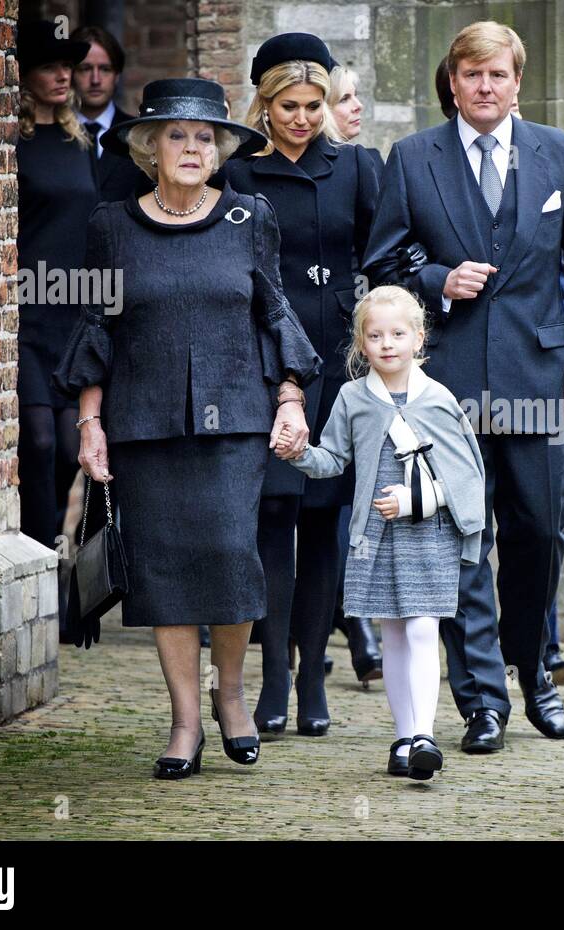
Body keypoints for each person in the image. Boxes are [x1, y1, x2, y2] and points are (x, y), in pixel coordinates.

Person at [52, 78, 321, 779]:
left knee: (232, 557)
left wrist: (290, 399)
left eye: (207, 137)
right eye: (178, 135)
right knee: (166, 571)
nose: (194, 147)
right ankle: (183, 723)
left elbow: (275, 313)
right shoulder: (112, 226)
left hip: (235, 421)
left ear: (223, 148)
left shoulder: (249, 218)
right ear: (149, 148)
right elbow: (94, 328)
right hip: (144, 425)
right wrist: (90, 423)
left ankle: (231, 695)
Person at [363, 21, 564, 754]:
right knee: (461, 539)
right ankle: (482, 701)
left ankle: (535, 668)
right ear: (452, 83)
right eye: (471, 75)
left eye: (497, 75)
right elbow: (382, 264)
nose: (484, 87)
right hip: (447, 386)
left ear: (516, 82)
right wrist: (437, 281)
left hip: (537, 379)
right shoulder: (412, 158)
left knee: (540, 534)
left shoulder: (560, 154)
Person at [227, 33, 382, 737]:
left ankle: (315, 672)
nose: (301, 117)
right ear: (264, 104)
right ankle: (272, 678)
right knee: (273, 520)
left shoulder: (355, 167)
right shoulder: (238, 174)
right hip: (262, 365)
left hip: (340, 365)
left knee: (326, 521)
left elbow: (388, 256)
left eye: (313, 105)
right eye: (287, 105)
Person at [278, 286, 487, 780]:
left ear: (419, 338)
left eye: (397, 334)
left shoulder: (438, 399)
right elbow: (334, 458)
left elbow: (466, 477)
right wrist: (298, 454)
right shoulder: (354, 397)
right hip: (376, 532)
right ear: (360, 343)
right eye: (375, 335)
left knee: (422, 627)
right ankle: (403, 736)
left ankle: (425, 736)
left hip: (429, 533)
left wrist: (415, 501)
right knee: (392, 630)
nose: (387, 344)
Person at [14, 21, 98, 550]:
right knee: (39, 441)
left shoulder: (79, 141)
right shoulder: (10, 143)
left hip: (75, 309)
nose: (65, 75)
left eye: (68, 66)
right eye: (51, 66)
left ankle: (52, 549)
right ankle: (36, 549)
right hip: (27, 309)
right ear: (25, 77)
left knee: (70, 451)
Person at [72, 25, 147, 203]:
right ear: (70, 73)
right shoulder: (52, 133)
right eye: (85, 68)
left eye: (105, 69)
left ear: (117, 75)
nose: (95, 80)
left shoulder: (139, 134)